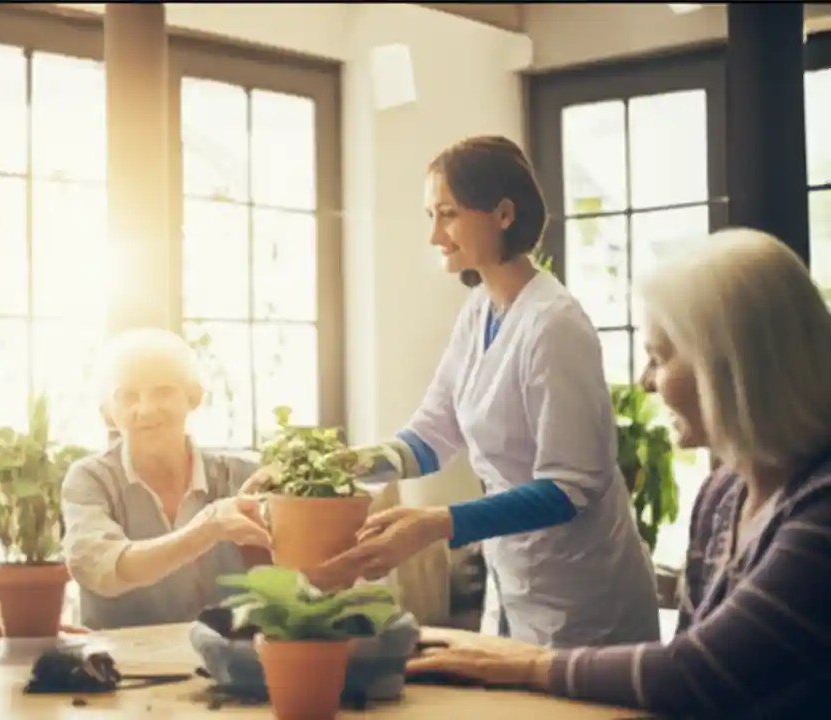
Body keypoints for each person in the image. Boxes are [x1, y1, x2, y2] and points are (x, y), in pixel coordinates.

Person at [250, 136, 659, 648]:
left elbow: (569, 488)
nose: (434, 236)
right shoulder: (479, 311)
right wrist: (335, 467)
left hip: (585, 598)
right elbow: (430, 436)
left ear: (503, 214)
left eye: (447, 214)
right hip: (514, 584)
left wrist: (435, 523)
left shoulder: (555, 325)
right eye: (431, 215)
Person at [405, 228, 831, 717]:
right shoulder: (723, 496)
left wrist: (521, 663)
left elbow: (699, 674)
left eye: (660, 357)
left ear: (731, 364)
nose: (647, 383)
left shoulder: (820, 511)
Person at [61, 328, 271, 630]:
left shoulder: (244, 476)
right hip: (122, 667)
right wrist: (207, 528)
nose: (145, 410)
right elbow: (102, 570)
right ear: (108, 413)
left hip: (233, 661)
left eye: (163, 391)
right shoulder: (91, 478)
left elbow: (298, 577)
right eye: (128, 396)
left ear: (194, 398)